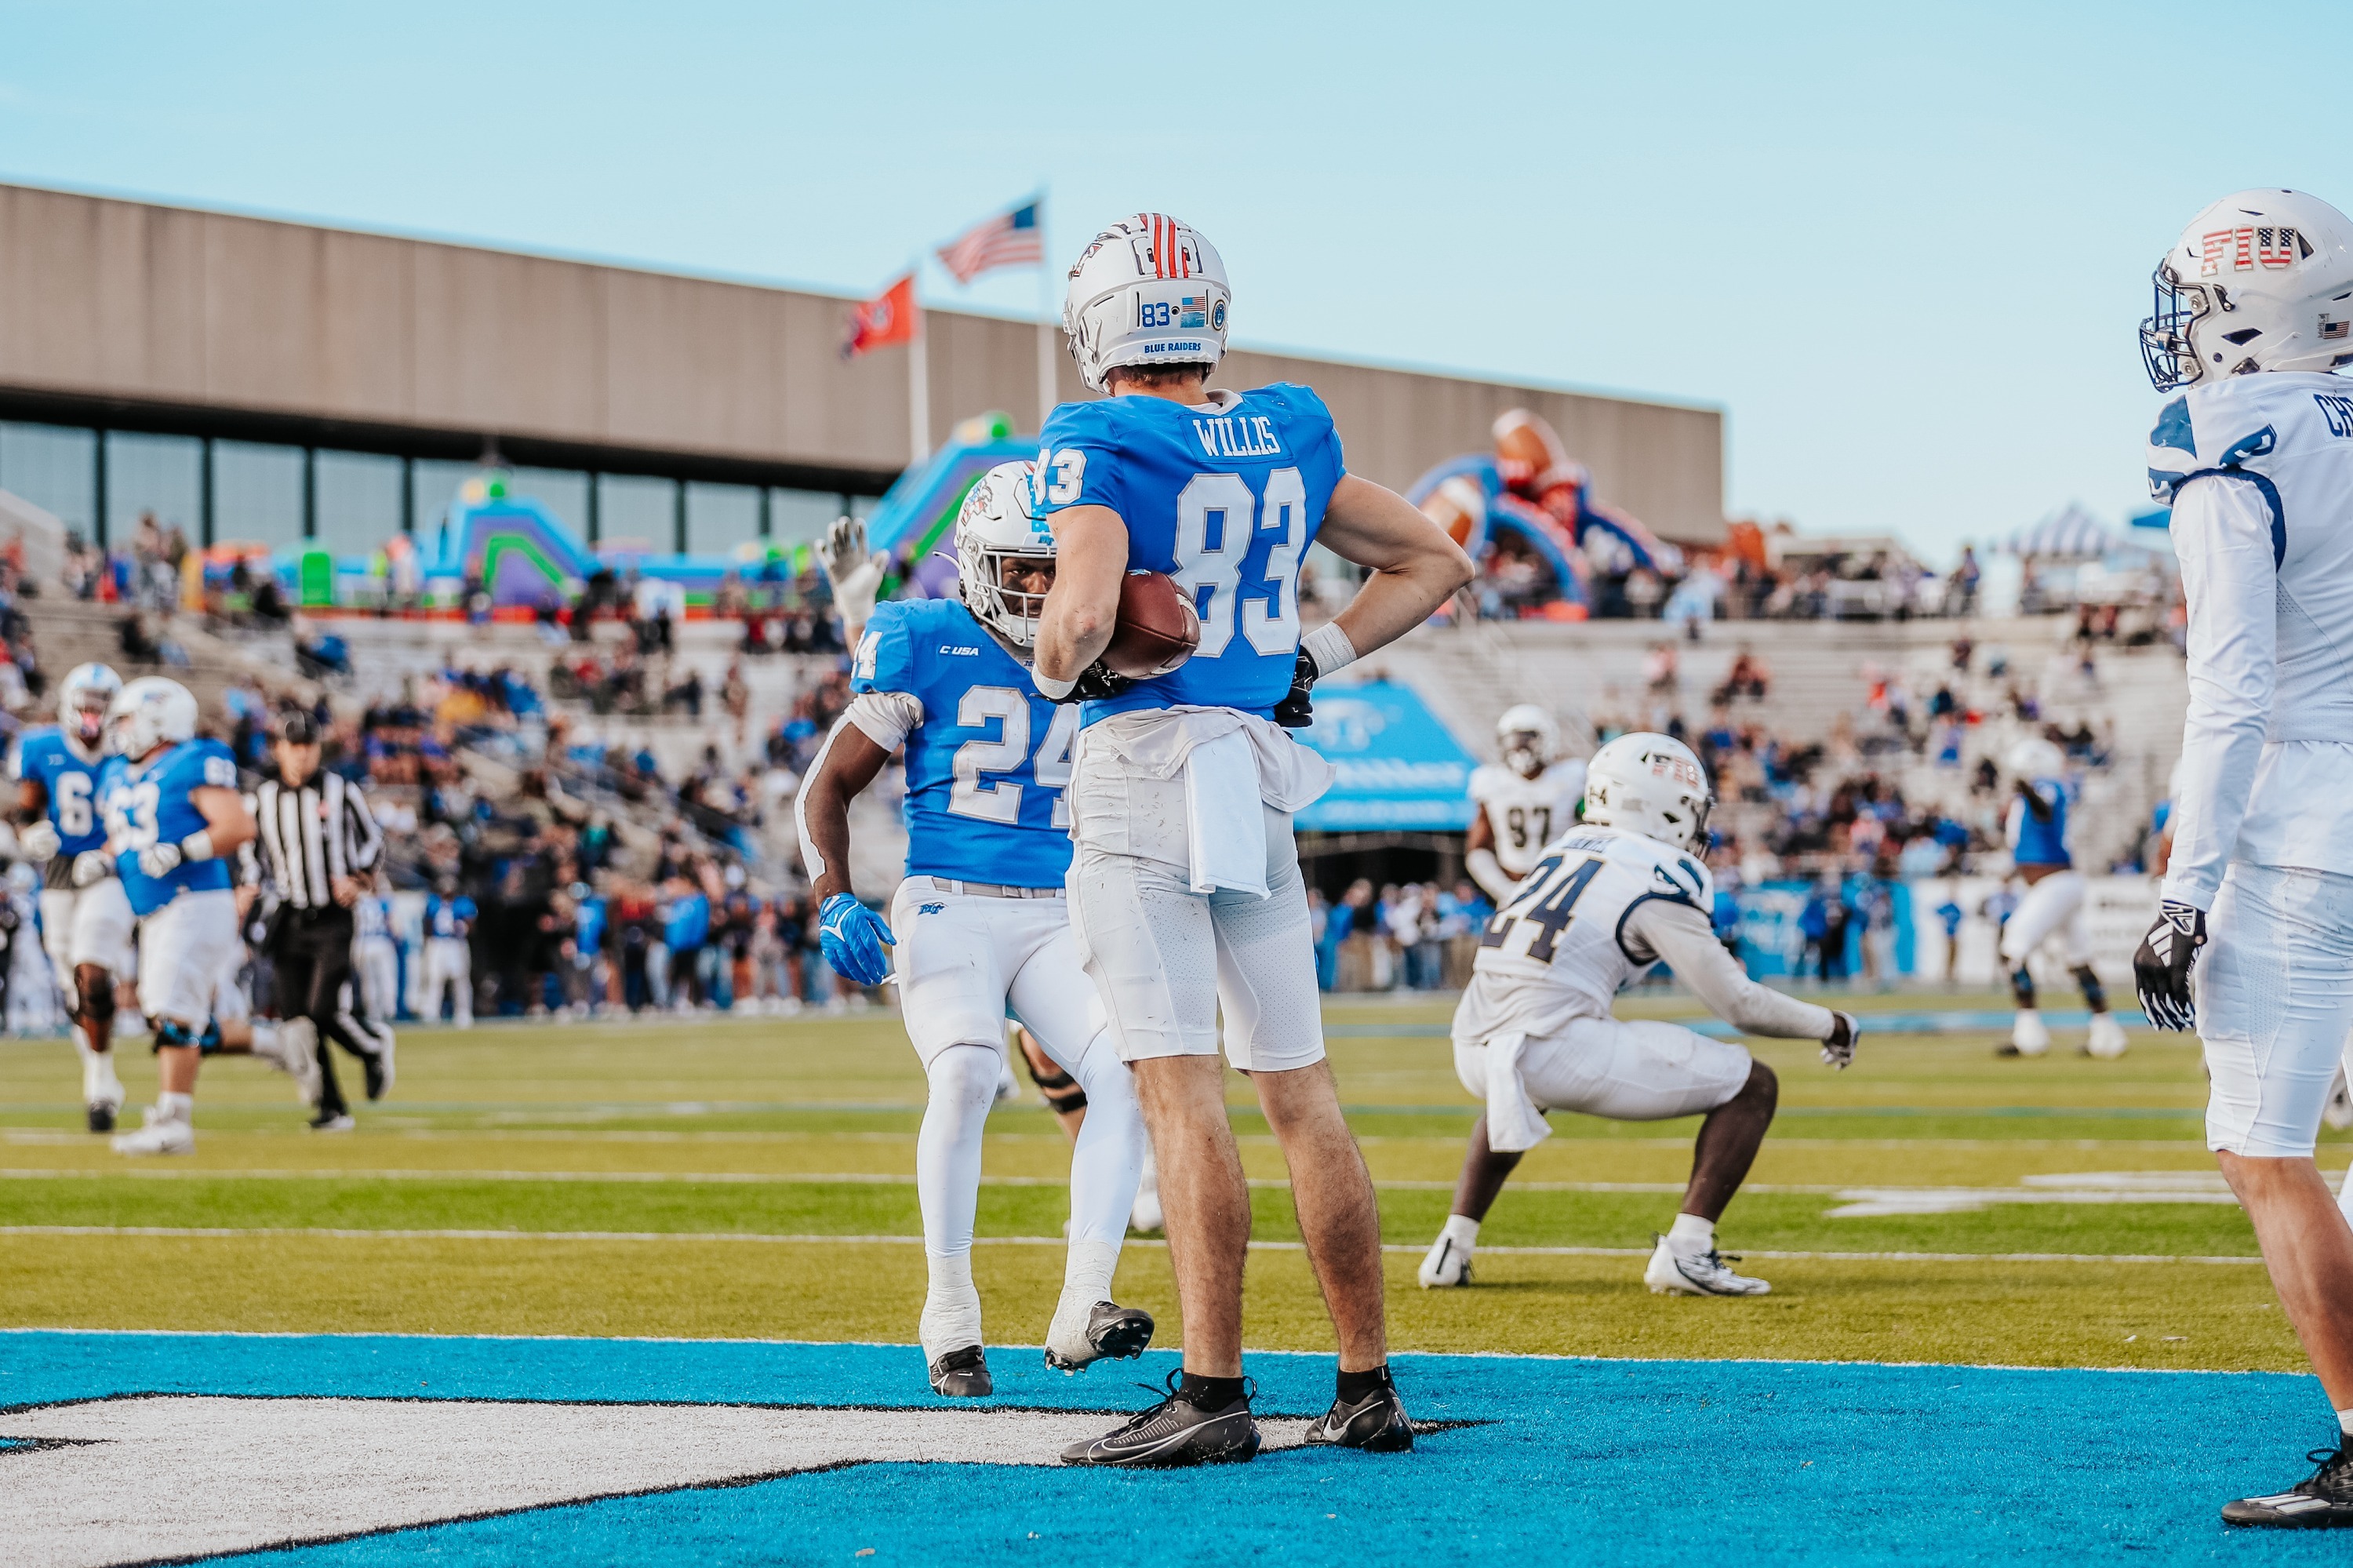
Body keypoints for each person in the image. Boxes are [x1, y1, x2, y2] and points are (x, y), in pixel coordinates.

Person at [1031, 213, 1473, 1466]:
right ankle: (1365, 1380)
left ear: (1100, 326)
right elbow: (1435, 558)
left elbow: (1075, 628)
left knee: (1180, 1091)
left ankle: (1212, 1385)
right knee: (1302, 1086)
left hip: (1145, 767)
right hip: (1254, 771)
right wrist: (1309, 655)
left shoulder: (1097, 436)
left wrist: (1037, 636)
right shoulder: (1285, 422)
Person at [797, 461, 1151, 1397]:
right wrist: (834, 894)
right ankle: (948, 1305)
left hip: (1059, 909)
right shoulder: (923, 636)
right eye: (1026, 571)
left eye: (1055, 568)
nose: (1045, 590)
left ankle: (1086, 1298)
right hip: (948, 901)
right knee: (967, 1073)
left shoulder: (1105, 645)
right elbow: (826, 783)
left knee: (1130, 1068)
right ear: (979, 566)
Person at [2130, 188, 2353, 1527]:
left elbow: (2235, 692)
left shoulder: (2231, 435)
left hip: (2305, 836)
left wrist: (2183, 890)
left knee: (2264, 1146)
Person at [1418, 734, 1859, 1296]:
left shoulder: (1566, 848)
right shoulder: (1659, 871)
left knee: (1518, 1080)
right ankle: (1688, 1250)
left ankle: (1452, 1246)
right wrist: (1832, 1023)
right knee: (1754, 1084)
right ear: (1666, 806)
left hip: (1472, 1041)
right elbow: (1737, 1003)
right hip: (1550, 1045)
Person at [91, 677, 262, 1155]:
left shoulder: (193, 759)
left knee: (172, 1006)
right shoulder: (120, 774)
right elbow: (125, 837)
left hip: (195, 899)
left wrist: (183, 850)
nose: (121, 730)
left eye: (127, 719)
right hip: (158, 910)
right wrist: (103, 858)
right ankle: (274, 1046)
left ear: (157, 718)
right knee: (161, 1007)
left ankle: (174, 1121)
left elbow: (237, 825)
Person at [250, 711, 392, 1130]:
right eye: (294, 746)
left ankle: (371, 1049)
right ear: (278, 749)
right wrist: (248, 888)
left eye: (308, 746)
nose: (301, 755)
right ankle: (332, 1107)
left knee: (323, 1008)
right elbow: (251, 854)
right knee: (297, 1017)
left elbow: (373, 842)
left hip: (333, 916)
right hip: (289, 915)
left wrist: (358, 879)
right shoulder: (263, 798)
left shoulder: (339, 789)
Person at [10, 663, 133, 1130]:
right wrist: (28, 834)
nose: (92, 715)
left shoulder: (127, 752)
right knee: (71, 984)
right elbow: (26, 809)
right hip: (60, 870)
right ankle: (100, 1076)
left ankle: (100, 1083)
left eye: (101, 706)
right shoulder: (41, 746)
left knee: (93, 967)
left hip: (111, 868)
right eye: (86, 705)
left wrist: (107, 853)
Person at [1996, 736, 2126, 1059]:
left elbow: (2043, 811)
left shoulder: (2047, 786)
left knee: (2013, 949)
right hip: (2055, 883)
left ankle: (2029, 1035)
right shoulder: (2033, 793)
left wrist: (2025, 787)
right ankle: (2107, 1034)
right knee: (2078, 957)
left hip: (2056, 883)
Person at [1464, 705, 1587, 904]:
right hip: (1512, 882)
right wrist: (1506, 890)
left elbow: (1592, 829)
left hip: (1563, 883)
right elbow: (1478, 849)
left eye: (1527, 740)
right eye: (1513, 741)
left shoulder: (1572, 777)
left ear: (1548, 740)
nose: (1519, 749)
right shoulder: (1491, 781)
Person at [418, 877, 475, 1026]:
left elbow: (471, 925)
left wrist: (463, 928)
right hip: (438, 943)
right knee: (435, 978)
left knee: (460, 979)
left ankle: (463, 1013)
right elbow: (427, 924)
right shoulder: (433, 902)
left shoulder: (463, 903)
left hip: (456, 943)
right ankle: (432, 1012)